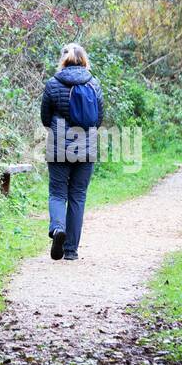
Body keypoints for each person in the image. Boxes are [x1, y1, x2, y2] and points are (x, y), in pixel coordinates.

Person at [40, 42, 104, 261]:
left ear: (63, 60)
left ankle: (58, 229)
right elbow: (99, 118)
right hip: (86, 148)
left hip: (59, 145)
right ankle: (70, 251)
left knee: (58, 193)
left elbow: (45, 118)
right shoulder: (93, 83)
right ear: (84, 60)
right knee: (78, 197)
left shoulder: (52, 83)